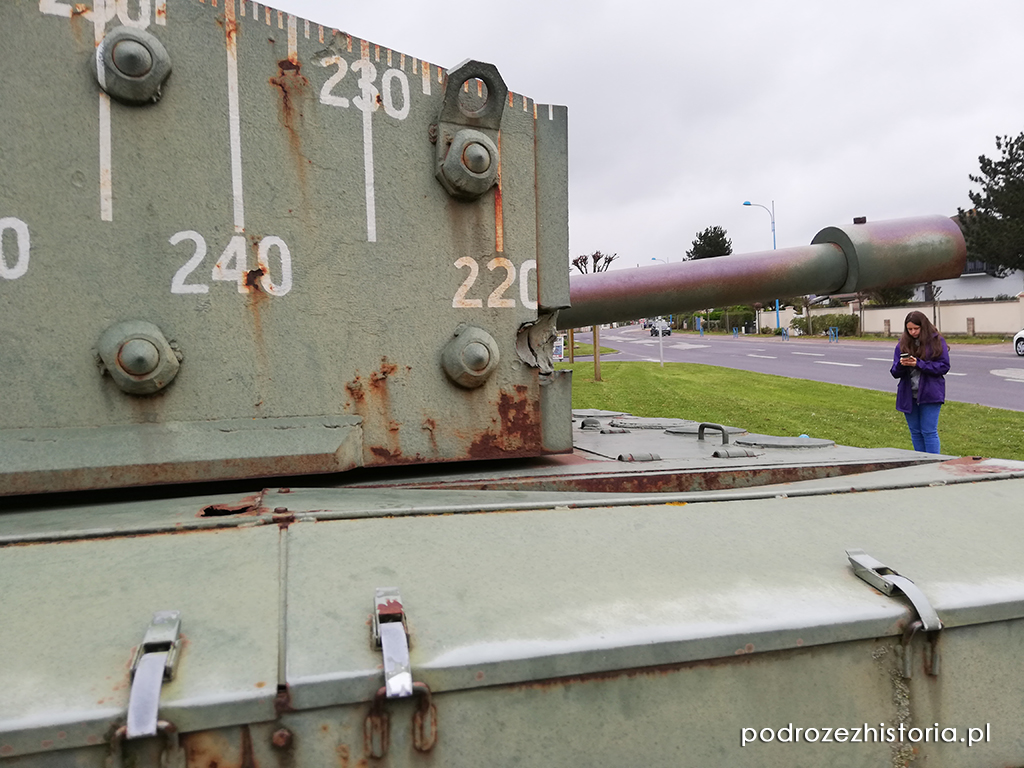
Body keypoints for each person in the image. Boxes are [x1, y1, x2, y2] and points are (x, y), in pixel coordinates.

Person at [890, 310, 949, 453]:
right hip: (908, 394)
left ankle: (933, 465)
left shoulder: (936, 341)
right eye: (909, 329)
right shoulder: (902, 344)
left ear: (924, 327)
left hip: (930, 393)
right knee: (915, 432)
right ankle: (920, 462)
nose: (913, 332)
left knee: (929, 432)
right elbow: (894, 372)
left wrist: (918, 364)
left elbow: (944, 366)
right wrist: (902, 364)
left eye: (916, 328)